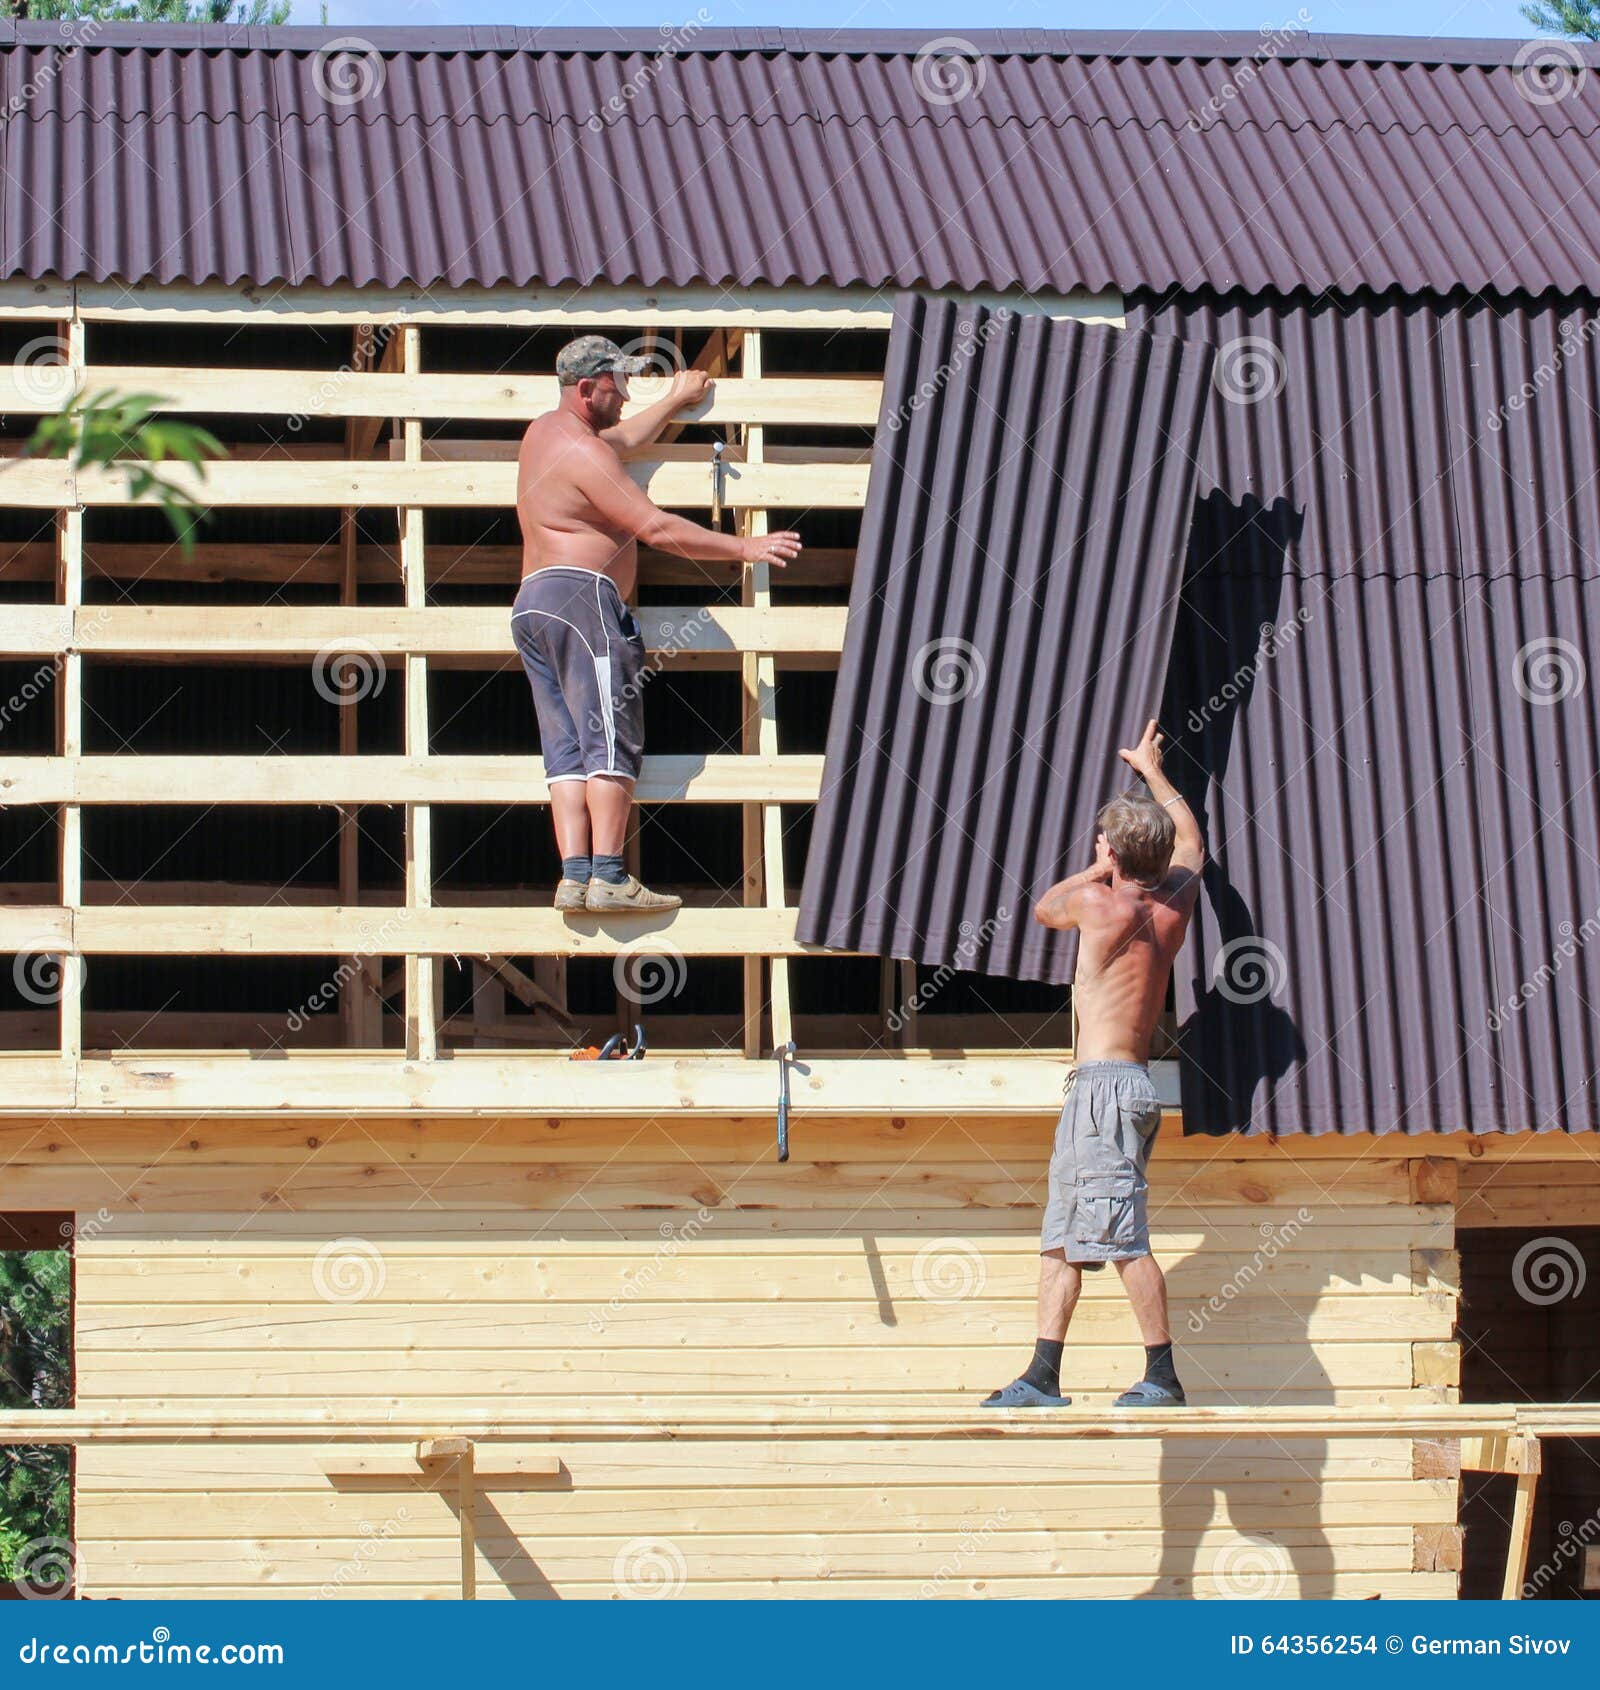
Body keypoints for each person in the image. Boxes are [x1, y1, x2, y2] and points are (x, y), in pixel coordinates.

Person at [512, 336, 801, 912]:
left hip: (533, 604)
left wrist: (672, 402)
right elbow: (656, 527)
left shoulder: (547, 434)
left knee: (566, 749)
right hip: (582, 601)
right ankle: (612, 876)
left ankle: (575, 877)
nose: (624, 395)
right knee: (611, 740)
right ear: (586, 388)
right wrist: (745, 546)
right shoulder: (588, 453)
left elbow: (617, 440)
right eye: (616, 384)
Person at [984, 719, 1204, 1409]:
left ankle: (1162, 1374)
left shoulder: (1095, 901)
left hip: (1102, 1090)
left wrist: (1098, 865)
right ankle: (1042, 1374)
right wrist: (1153, 772)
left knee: (1122, 1236)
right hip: (1123, 1084)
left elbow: (1043, 907)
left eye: (1103, 838)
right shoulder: (1172, 903)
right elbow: (1192, 841)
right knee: (1065, 1236)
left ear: (1113, 852)